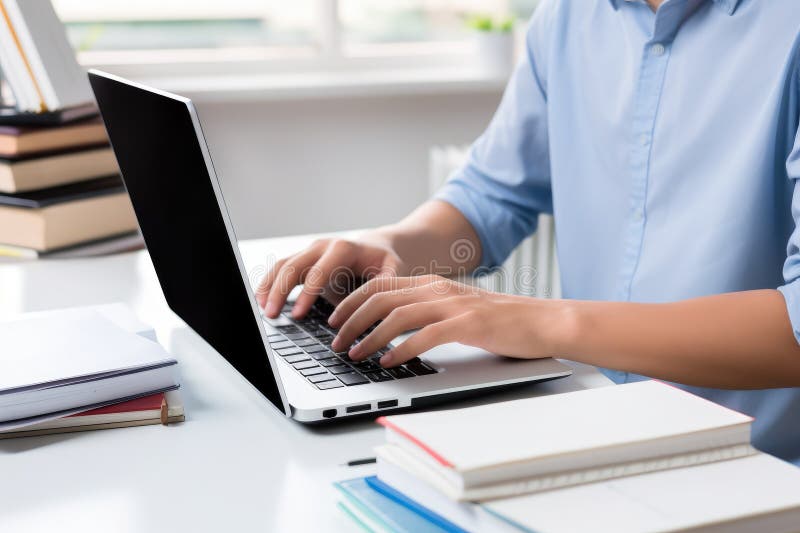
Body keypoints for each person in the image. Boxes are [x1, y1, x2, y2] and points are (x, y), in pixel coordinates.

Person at [257, 0, 800, 465]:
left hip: (757, 462)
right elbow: (494, 194)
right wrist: (394, 245)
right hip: (591, 422)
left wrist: (539, 321)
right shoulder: (568, 15)